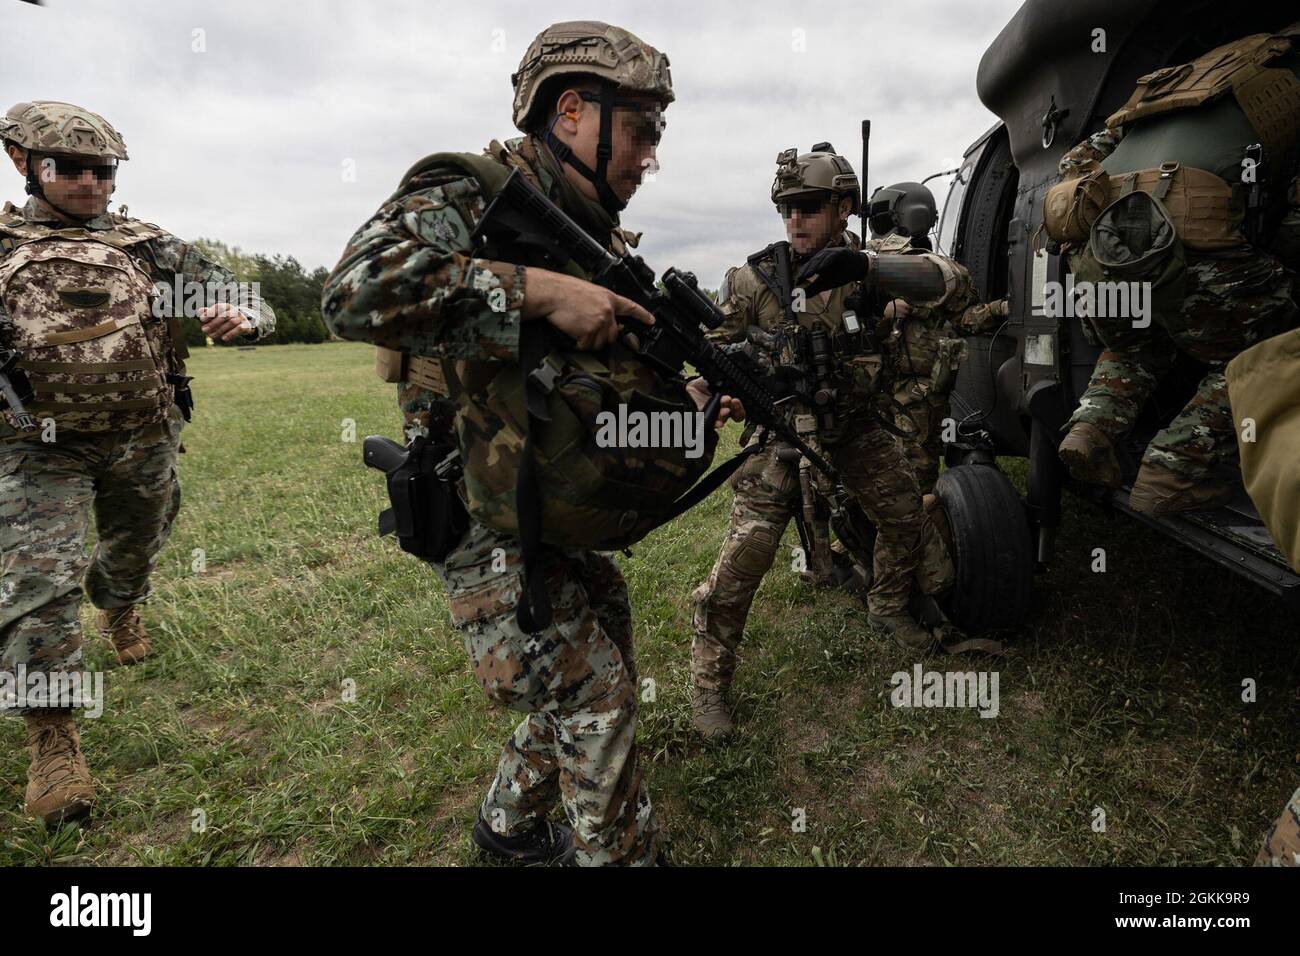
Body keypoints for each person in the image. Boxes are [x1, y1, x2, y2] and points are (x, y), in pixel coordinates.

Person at [322, 21, 739, 866]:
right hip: (477, 509)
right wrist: (533, 293)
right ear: (574, 111)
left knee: (604, 642)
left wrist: (689, 398)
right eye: (642, 129)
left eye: (660, 132)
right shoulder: (472, 191)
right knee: (598, 695)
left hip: (539, 501)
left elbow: (592, 386)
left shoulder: (589, 231)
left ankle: (507, 828)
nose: (651, 155)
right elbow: (353, 293)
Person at [0, 100, 275, 824]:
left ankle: (120, 603)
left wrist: (243, 319)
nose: (92, 182)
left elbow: (245, 298)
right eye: (74, 168)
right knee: (39, 582)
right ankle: (52, 742)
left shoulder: (149, 247)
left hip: (142, 434)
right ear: (26, 164)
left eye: (105, 169)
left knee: (135, 542)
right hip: (36, 445)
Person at [689, 144, 962, 740]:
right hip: (779, 437)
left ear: (843, 208)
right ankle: (709, 686)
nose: (794, 220)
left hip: (854, 430)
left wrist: (869, 271)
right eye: (786, 209)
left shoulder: (866, 271)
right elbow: (702, 354)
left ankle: (887, 605)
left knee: (904, 515)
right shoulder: (754, 279)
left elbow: (952, 284)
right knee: (742, 564)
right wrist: (704, 394)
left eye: (808, 207)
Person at [1049, 23, 1300, 514]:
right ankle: (1173, 470)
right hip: (1190, 251)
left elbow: (1075, 163)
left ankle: (1091, 432)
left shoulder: (1179, 83)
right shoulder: (1282, 83)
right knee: (1263, 350)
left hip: (1103, 253)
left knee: (1134, 346)